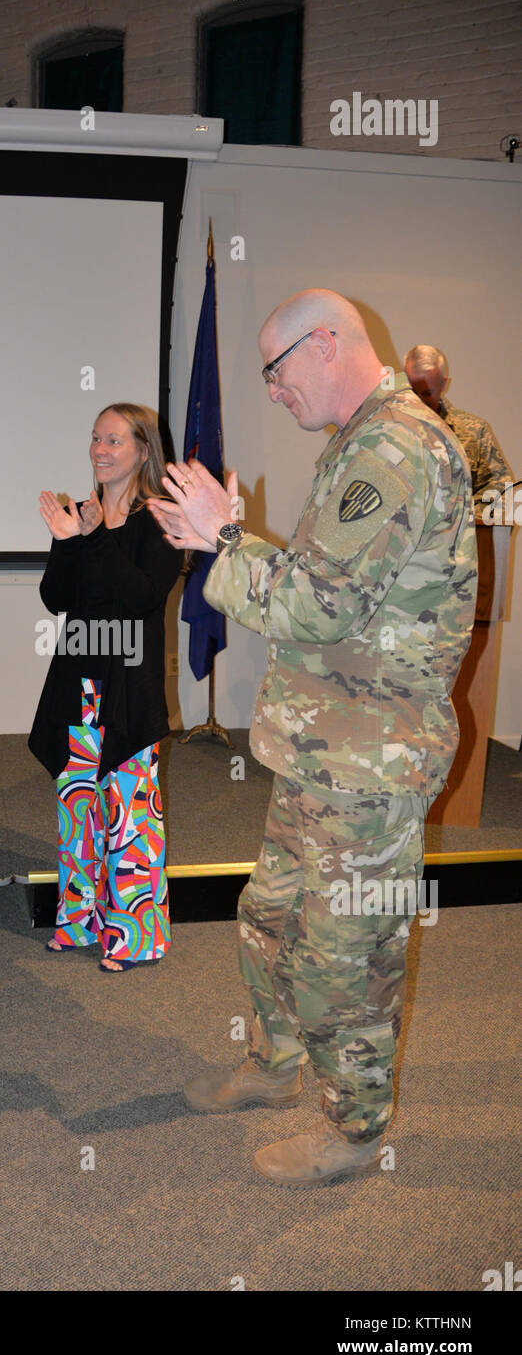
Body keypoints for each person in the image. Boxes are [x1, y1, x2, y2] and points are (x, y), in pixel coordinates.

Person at [149, 290, 477, 1185]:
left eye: (276, 368)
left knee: (347, 955)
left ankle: (352, 1128)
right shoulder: (361, 441)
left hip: (368, 767)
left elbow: (312, 605)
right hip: (323, 752)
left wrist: (223, 536)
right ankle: (275, 1061)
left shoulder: (395, 448)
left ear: (324, 345)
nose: (273, 390)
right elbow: (314, 586)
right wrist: (230, 545)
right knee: (270, 920)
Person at [29, 403, 182, 972]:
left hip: (128, 689)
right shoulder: (79, 513)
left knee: (129, 817)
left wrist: (92, 539)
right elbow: (57, 598)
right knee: (78, 814)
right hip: (76, 683)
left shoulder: (161, 519)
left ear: (143, 451)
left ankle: (135, 938)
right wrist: (70, 540)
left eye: (114, 440)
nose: (100, 449)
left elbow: (141, 595)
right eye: (95, 437)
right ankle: (78, 923)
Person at [403, 345, 514, 519]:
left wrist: (460, 520)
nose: (419, 402)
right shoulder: (387, 430)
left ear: (443, 384)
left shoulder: (474, 432)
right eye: (413, 393)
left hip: (461, 541)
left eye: (427, 394)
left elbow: (499, 488)